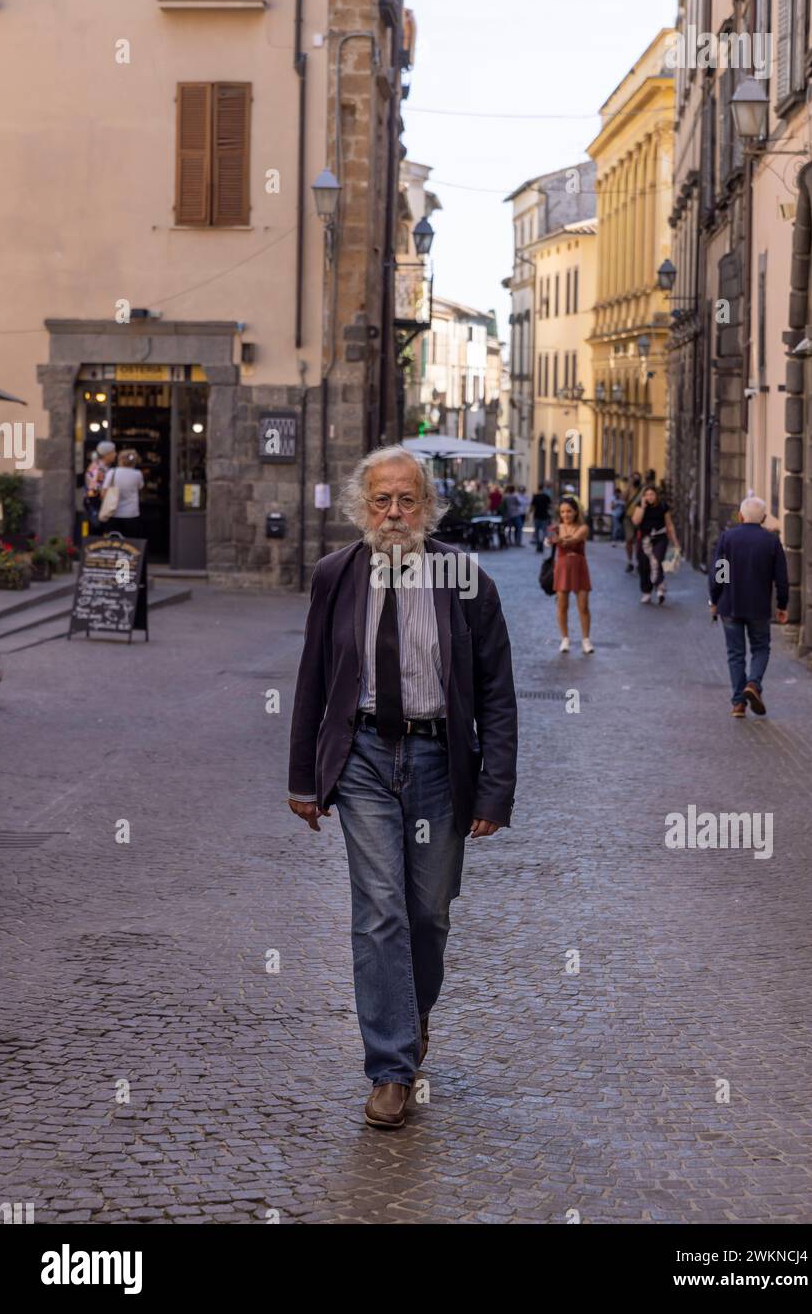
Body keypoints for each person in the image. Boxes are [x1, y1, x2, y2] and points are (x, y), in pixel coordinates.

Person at [287, 446, 518, 1130]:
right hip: (361, 757)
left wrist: (494, 790)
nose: (393, 512)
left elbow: (498, 694)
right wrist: (302, 777)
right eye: (382, 499)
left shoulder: (466, 580)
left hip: (439, 760)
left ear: (428, 507)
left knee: (428, 913)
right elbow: (312, 678)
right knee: (380, 910)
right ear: (363, 507)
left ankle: (412, 1014)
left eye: (406, 500)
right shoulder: (335, 575)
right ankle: (390, 1069)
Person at [709, 496, 789, 718]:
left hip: (730, 604)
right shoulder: (771, 541)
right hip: (759, 606)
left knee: (735, 654)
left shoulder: (727, 538)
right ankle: (753, 684)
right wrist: (782, 604)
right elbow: (781, 578)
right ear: (763, 518)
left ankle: (738, 704)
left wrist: (714, 599)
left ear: (740, 516)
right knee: (761, 648)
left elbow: (720, 574)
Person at [547, 496, 594, 655]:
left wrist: (558, 539)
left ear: (575, 512)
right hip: (562, 568)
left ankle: (586, 640)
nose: (565, 515)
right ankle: (565, 639)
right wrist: (552, 539)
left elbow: (573, 540)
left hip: (580, 568)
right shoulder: (556, 527)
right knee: (562, 605)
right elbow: (548, 541)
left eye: (569, 511)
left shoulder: (583, 527)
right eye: (562, 512)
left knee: (583, 606)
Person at [633, 484, 678, 604]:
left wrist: (675, 542)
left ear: (656, 495)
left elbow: (669, 525)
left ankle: (659, 586)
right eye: (647, 495)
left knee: (656, 560)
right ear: (643, 496)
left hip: (660, 537)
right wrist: (642, 507)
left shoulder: (663, 506)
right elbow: (636, 521)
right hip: (645, 538)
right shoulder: (640, 505)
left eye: (652, 494)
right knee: (644, 564)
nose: (649, 497)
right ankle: (646, 592)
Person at [100, 448, 144, 539]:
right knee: (131, 542)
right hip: (132, 513)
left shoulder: (112, 472)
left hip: (113, 512)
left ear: (120, 460)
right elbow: (140, 487)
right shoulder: (137, 474)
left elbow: (103, 493)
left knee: (113, 542)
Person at [84, 441, 114, 531]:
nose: (115, 454)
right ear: (106, 454)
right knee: (98, 530)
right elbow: (93, 490)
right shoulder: (98, 468)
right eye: (113, 452)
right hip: (97, 505)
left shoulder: (102, 466)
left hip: (98, 503)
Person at [622, 472, 643, 571]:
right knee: (629, 539)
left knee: (640, 541)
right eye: (634, 478)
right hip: (628, 518)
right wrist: (629, 486)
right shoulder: (629, 489)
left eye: (637, 478)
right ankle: (630, 561)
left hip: (641, 518)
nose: (636, 480)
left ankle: (639, 562)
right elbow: (623, 498)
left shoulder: (643, 490)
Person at [530, 483, 552, 552]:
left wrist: (529, 514)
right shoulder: (546, 496)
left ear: (538, 488)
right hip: (544, 515)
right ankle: (542, 543)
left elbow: (532, 507)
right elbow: (550, 506)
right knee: (544, 531)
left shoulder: (535, 496)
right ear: (543, 488)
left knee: (537, 530)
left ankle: (538, 544)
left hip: (537, 515)